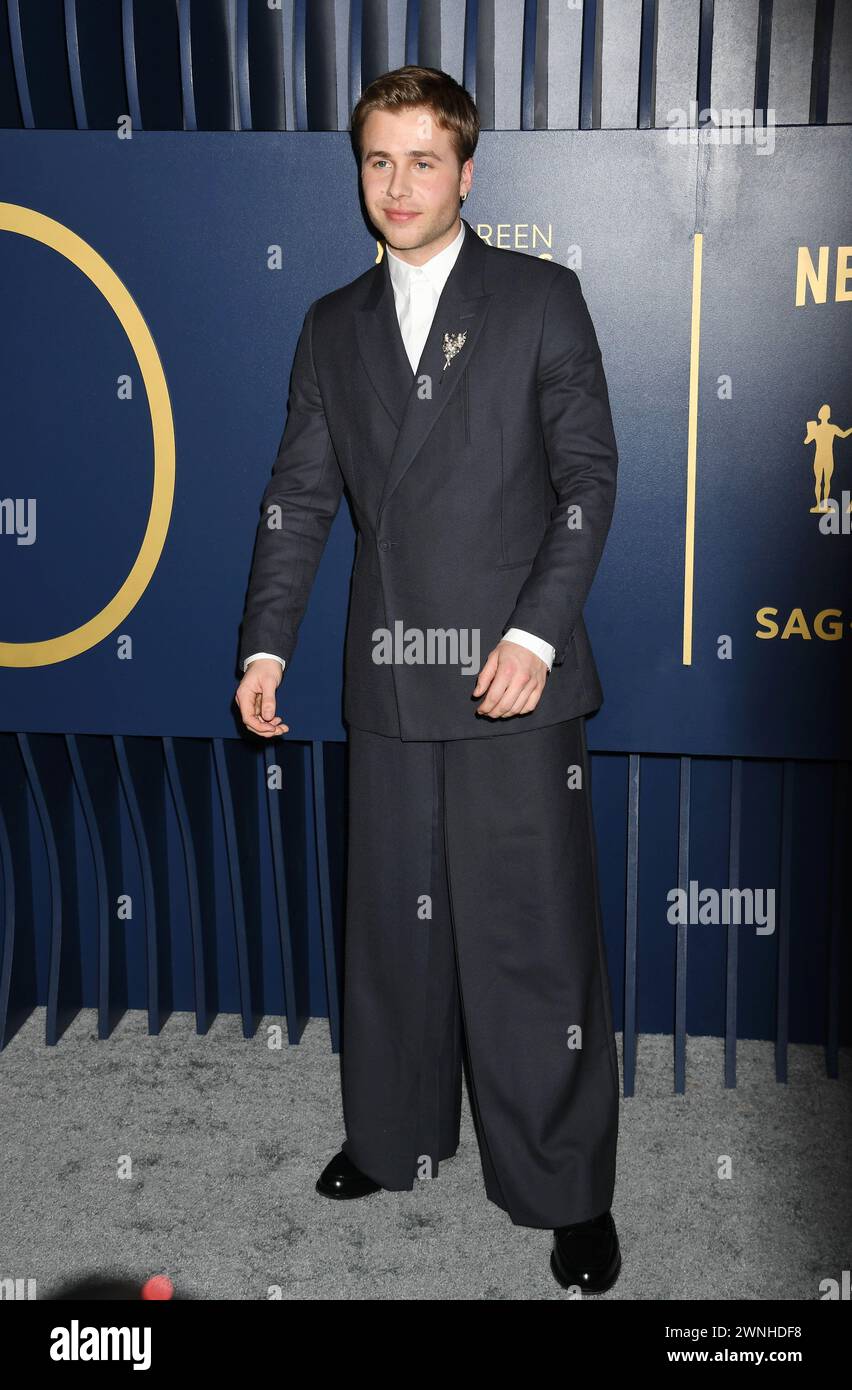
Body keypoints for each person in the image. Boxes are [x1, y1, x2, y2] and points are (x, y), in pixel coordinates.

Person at [235, 65, 622, 1294]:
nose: (397, 186)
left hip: (515, 680)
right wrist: (265, 644)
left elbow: (588, 484)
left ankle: (564, 1187)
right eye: (376, 161)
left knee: (531, 943)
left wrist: (536, 634)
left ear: (467, 171)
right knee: (392, 937)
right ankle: (392, 1135)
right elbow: (298, 501)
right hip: (392, 676)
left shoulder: (543, 300)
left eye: (421, 160)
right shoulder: (329, 326)